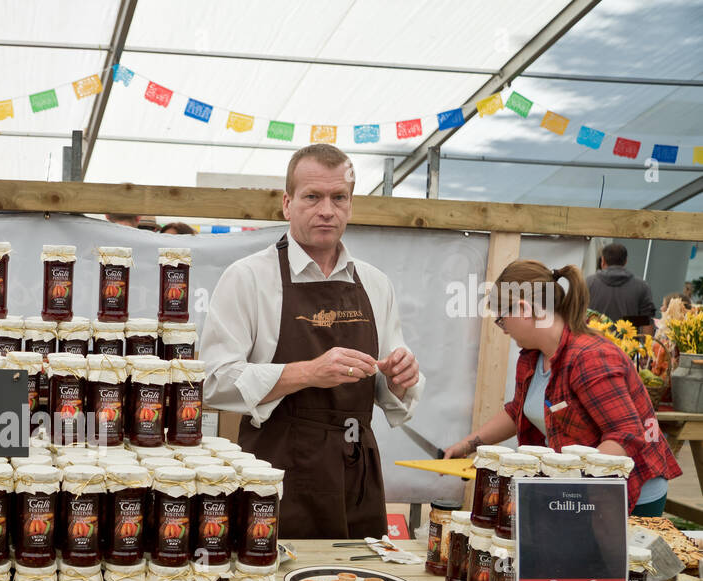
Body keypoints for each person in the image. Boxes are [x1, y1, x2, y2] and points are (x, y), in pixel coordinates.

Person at [201, 144, 424, 538]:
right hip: (279, 470)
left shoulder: (374, 283)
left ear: (350, 205)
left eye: (339, 197)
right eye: (312, 197)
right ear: (287, 204)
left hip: (356, 471)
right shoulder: (248, 278)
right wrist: (307, 372)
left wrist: (398, 377)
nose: (327, 209)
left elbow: (391, 392)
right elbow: (212, 381)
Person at [444, 259, 681, 516]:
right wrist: (467, 445)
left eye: (501, 320)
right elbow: (518, 411)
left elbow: (624, 435)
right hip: (581, 491)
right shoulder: (532, 356)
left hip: (630, 493)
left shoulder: (589, 356)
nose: (503, 330)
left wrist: (569, 489)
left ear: (524, 309)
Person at [587, 242, 656, 333]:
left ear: (603, 261)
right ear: (625, 261)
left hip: (593, 343)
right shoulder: (642, 287)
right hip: (627, 345)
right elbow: (646, 322)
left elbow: (577, 316)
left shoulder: (588, 283)